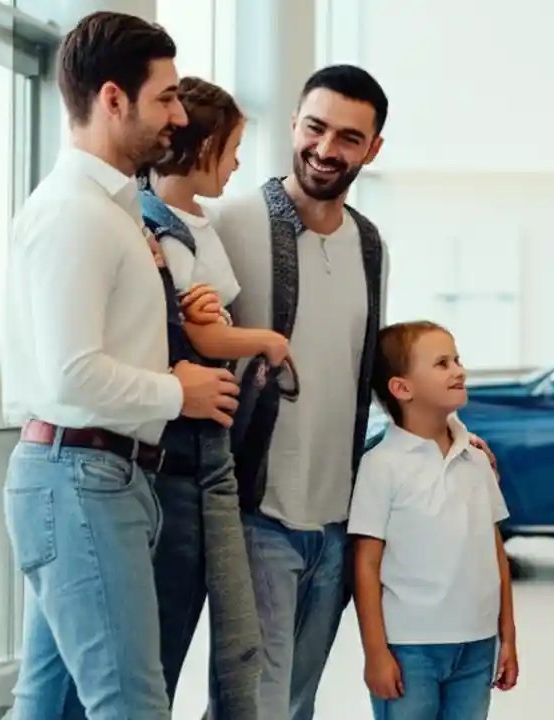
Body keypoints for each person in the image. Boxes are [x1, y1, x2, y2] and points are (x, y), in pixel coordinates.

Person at [0, 12, 239, 719]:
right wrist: (178, 391)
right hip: (81, 477)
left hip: (94, 475)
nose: (179, 116)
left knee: (51, 706)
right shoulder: (76, 214)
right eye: (164, 98)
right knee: (131, 705)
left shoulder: (110, 211)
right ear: (112, 99)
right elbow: (71, 375)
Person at [201, 64, 392, 719]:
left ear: (372, 149)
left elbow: (368, 367)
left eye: (348, 138)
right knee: (255, 705)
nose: (325, 148)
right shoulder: (231, 221)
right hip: (257, 512)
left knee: (296, 704)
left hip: (336, 521)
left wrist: (445, 432)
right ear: (293, 124)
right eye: (315, 127)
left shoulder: (371, 245)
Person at [140, 76, 292, 718]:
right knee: (168, 639)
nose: (236, 163)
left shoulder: (194, 225)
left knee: (231, 642)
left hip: (210, 456)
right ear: (202, 149)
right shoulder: (161, 229)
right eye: (231, 150)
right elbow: (199, 333)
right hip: (182, 458)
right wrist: (266, 340)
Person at [349, 320, 519, 720]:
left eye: (457, 360)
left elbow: (495, 552)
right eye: (442, 363)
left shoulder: (476, 460)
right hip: (409, 649)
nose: (459, 370)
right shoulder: (381, 465)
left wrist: (507, 636)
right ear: (402, 388)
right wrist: (375, 653)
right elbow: (366, 565)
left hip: (478, 645)